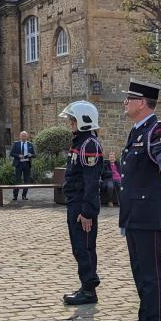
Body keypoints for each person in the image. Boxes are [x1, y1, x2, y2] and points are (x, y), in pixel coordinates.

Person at [117, 80, 161, 321]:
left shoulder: (157, 128)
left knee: (152, 271)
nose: (125, 103)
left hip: (150, 213)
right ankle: (145, 319)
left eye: (129, 99)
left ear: (142, 102)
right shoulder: (136, 130)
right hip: (134, 212)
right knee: (139, 270)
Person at [58, 101, 104, 306]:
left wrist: (87, 212)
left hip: (82, 206)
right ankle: (86, 284)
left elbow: (92, 181)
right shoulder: (79, 142)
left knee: (84, 247)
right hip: (75, 202)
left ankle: (89, 290)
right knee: (79, 247)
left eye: (73, 120)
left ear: (84, 121)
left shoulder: (89, 144)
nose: (70, 124)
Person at [9, 131, 36, 201]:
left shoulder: (30, 144)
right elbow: (11, 153)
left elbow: (34, 155)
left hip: (27, 164)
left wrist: (31, 155)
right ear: (20, 136)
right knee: (17, 180)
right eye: (22, 135)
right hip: (18, 164)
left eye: (25, 135)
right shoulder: (16, 144)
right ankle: (15, 196)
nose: (23, 137)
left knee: (26, 180)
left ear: (27, 136)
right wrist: (18, 155)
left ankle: (24, 195)